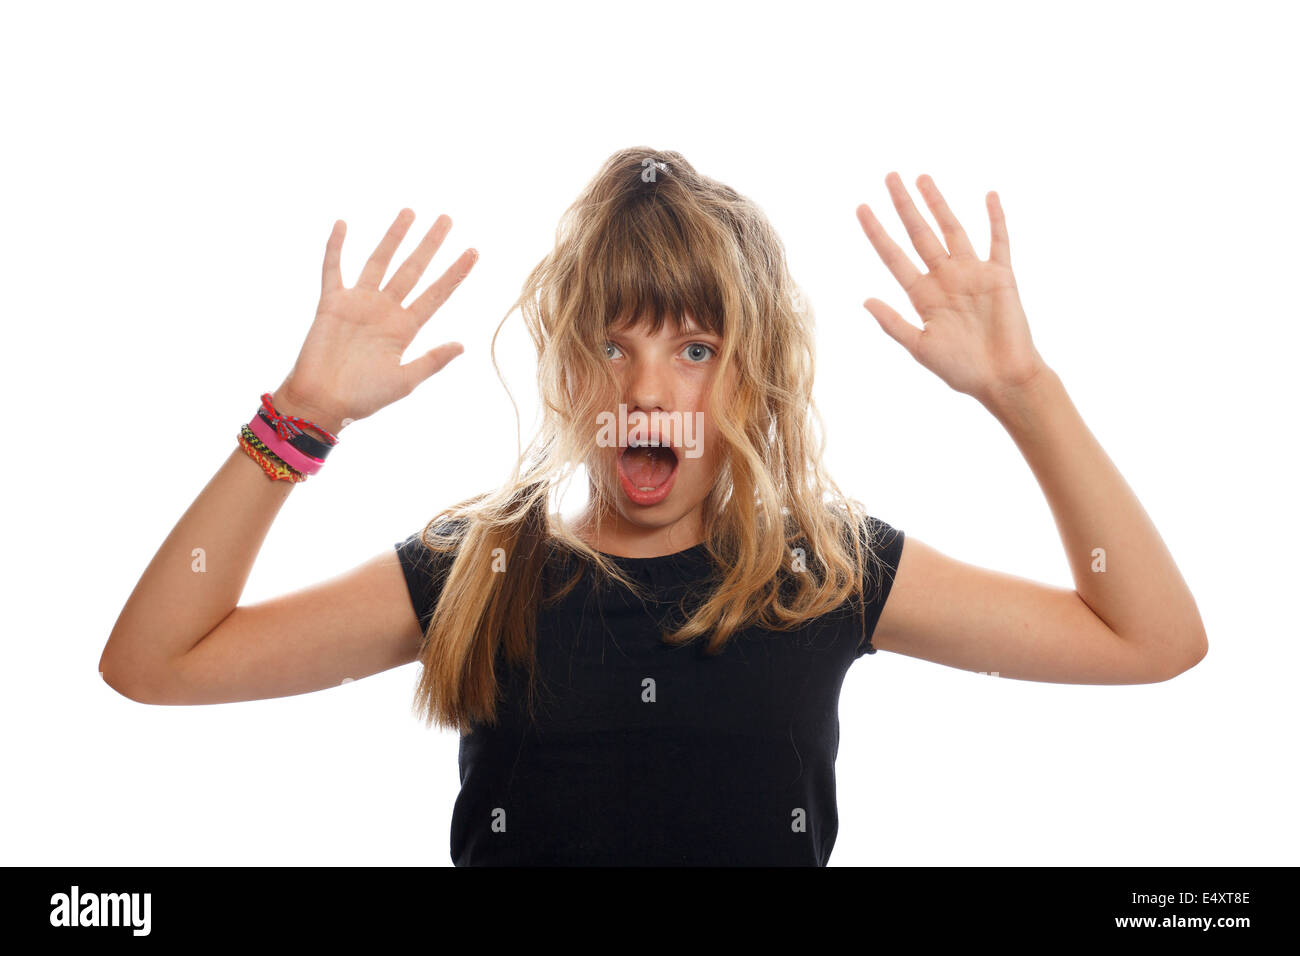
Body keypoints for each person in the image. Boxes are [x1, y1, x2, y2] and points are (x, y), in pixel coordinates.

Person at [99, 147, 1208, 866]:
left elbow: (1150, 637)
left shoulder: (823, 569)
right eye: (609, 343)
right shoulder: (476, 566)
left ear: (753, 372)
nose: (644, 390)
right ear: (567, 370)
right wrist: (299, 419)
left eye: (692, 347)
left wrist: (1024, 393)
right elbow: (154, 663)